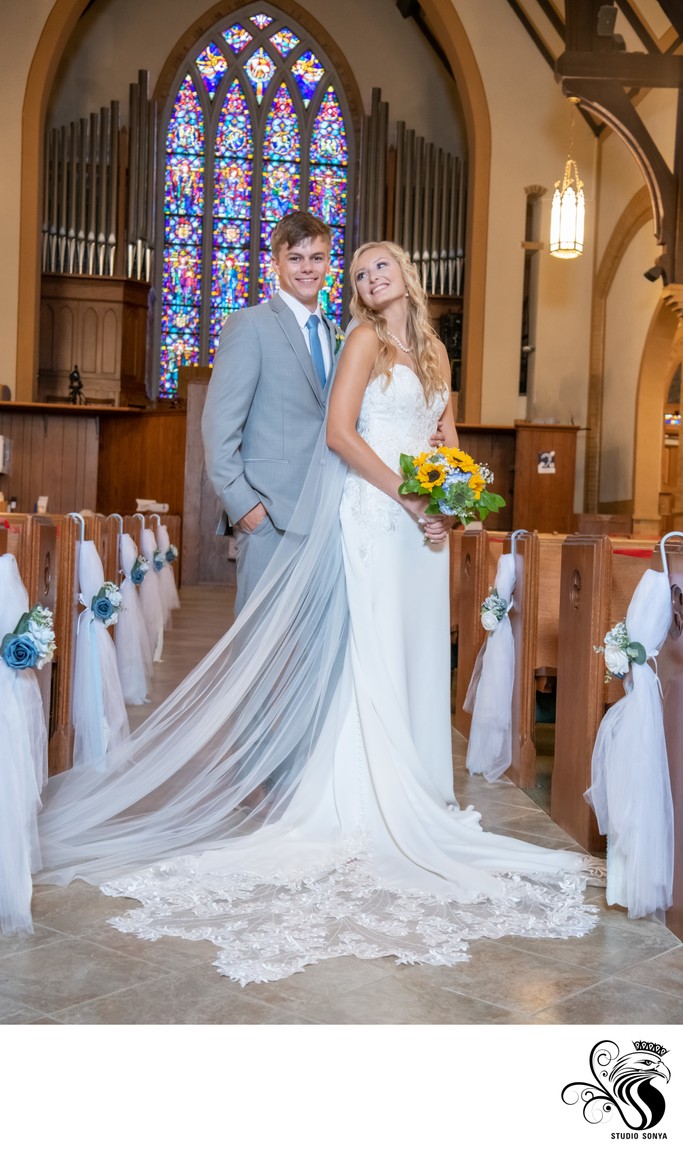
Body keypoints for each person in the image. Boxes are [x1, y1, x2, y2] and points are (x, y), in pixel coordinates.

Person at [34, 242, 599, 982]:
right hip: (373, 511)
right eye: (360, 272)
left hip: (420, 525)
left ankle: (419, 789)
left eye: (378, 267)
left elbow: (445, 439)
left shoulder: (431, 351)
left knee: (414, 653)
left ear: (405, 275)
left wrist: (450, 506)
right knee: (367, 652)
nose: (369, 279)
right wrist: (405, 494)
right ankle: (362, 796)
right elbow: (338, 433)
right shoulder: (360, 339)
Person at [202, 210, 342, 615]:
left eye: (316, 257)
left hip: (327, 518)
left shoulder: (339, 335)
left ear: (329, 262)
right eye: (295, 257)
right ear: (276, 262)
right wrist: (245, 508)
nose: (307, 268)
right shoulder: (250, 325)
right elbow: (218, 425)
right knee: (259, 652)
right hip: (269, 518)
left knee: (313, 650)